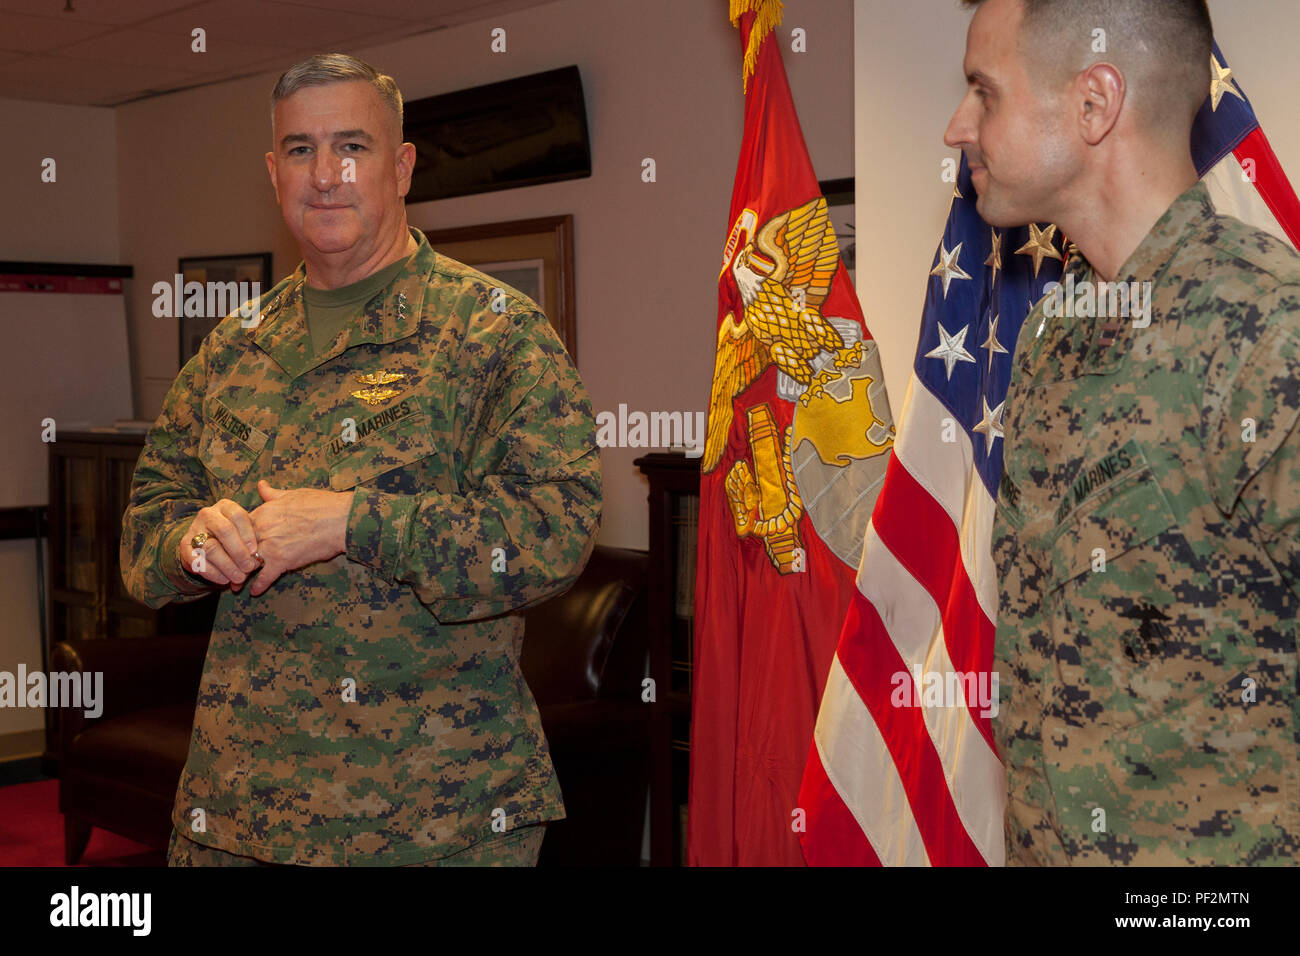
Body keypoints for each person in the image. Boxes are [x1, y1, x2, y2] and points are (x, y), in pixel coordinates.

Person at [120, 53, 602, 867]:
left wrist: (356, 523)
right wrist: (192, 545)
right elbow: (142, 535)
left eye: (353, 146)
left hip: (433, 822)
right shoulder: (230, 352)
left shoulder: (492, 334)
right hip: (241, 814)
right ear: (275, 174)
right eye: (301, 151)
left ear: (403, 165)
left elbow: (555, 530)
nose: (326, 175)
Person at [944, 0, 1300, 864]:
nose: (959, 127)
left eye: (983, 94)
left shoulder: (1267, 329)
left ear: (1095, 105)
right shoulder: (1054, 337)